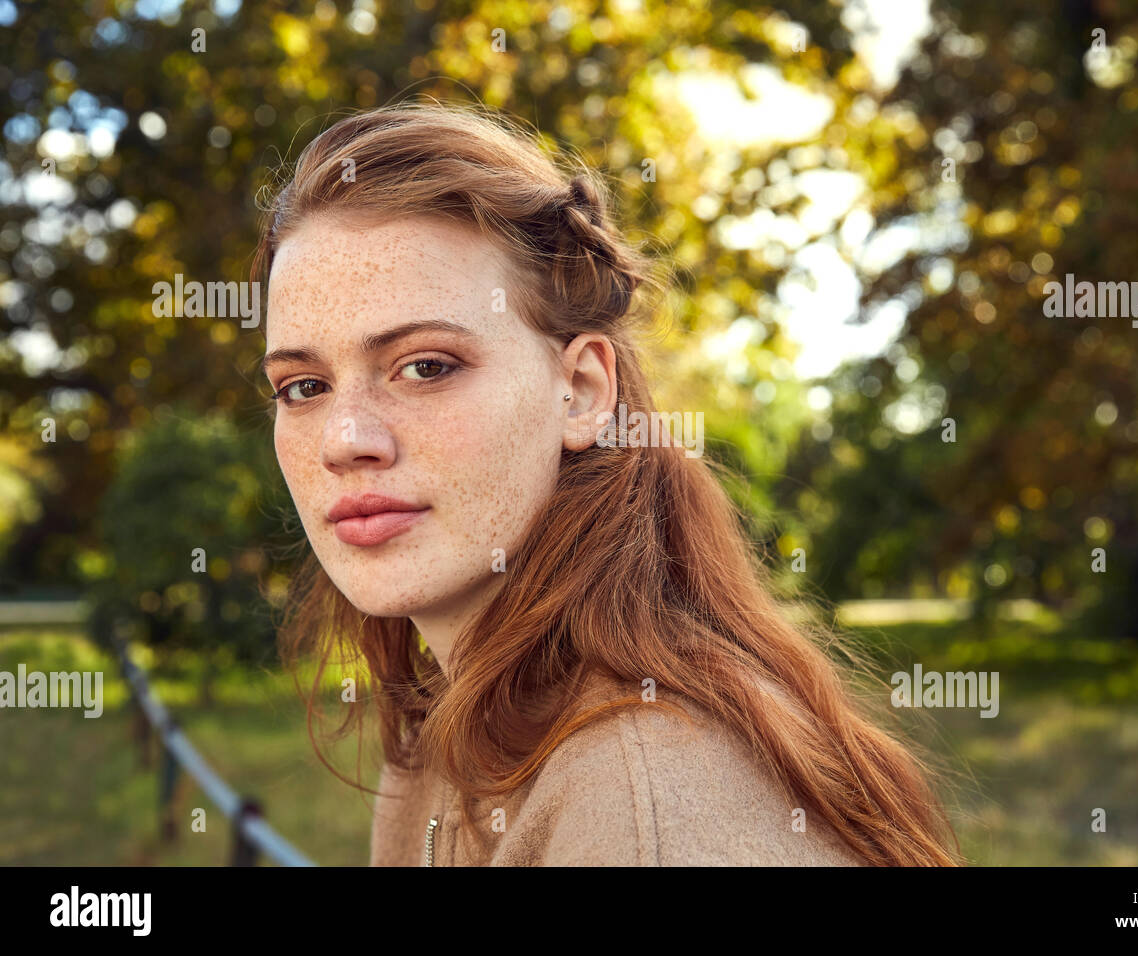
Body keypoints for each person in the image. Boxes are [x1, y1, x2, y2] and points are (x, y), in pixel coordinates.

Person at [252, 99, 960, 866]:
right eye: (303, 387)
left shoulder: (646, 810)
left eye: (426, 367)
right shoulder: (434, 735)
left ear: (583, 391)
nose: (345, 441)